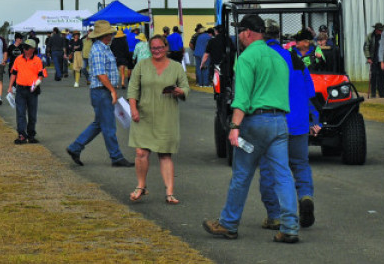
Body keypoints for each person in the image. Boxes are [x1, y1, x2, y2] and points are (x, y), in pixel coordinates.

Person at [203, 14, 299, 244]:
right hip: (279, 121)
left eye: (240, 32)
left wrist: (234, 126)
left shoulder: (246, 58)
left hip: (255, 122)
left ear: (247, 33)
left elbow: (242, 98)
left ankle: (228, 224)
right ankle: (289, 226)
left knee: (242, 175)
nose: (239, 37)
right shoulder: (278, 58)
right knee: (283, 175)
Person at [261, 31, 321, 230]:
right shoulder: (295, 58)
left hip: (274, 121)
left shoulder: (262, 57)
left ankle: (275, 215)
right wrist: (314, 118)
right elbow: (309, 91)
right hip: (299, 121)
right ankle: (305, 195)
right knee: (301, 165)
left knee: (270, 168)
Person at [127, 34, 188, 205]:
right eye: (153, 48)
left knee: (165, 154)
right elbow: (132, 89)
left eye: (160, 47)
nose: (157, 51)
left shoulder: (176, 67)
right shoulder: (142, 65)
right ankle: (141, 186)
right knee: (141, 152)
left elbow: (185, 88)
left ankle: (169, 192)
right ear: (149, 48)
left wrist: (179, 91)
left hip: (166, 116)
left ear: (166, 47)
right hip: (143, 114)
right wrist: (133, 109)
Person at [66, 20, 133, 168]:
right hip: (101, 92)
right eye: (110, 33)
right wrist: (113, 90)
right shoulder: (98, 50)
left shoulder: (104, 48)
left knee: (99, 124)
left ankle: (75, 147)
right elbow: (100, 74)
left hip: (102, 92)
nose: (112, 35)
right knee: (108, 126)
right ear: (105, 35)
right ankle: (116, 157)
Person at [8, 39, 47, 144]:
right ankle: (21, 135)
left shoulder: (38, 61)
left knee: (32, 114)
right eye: (24, 47)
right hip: (20, 89)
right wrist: (10, 87)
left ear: (33, 49)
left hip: (32, 90)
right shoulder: (18, 59)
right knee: (20, 113)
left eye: (27, 48)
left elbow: (41, 76)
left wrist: (35, 85)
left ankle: (31, 135)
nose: (24, 50)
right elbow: (14, 73)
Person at [364, 23, 384, 98]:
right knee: (373, 75)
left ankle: (382, 92)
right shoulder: (370, 36)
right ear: (376, 30)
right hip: (373, 58)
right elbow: (366, 47)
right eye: (380, 30)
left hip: (382, 59)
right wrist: (368, 58)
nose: (381, 31)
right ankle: (373, 92)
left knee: (382, 76)